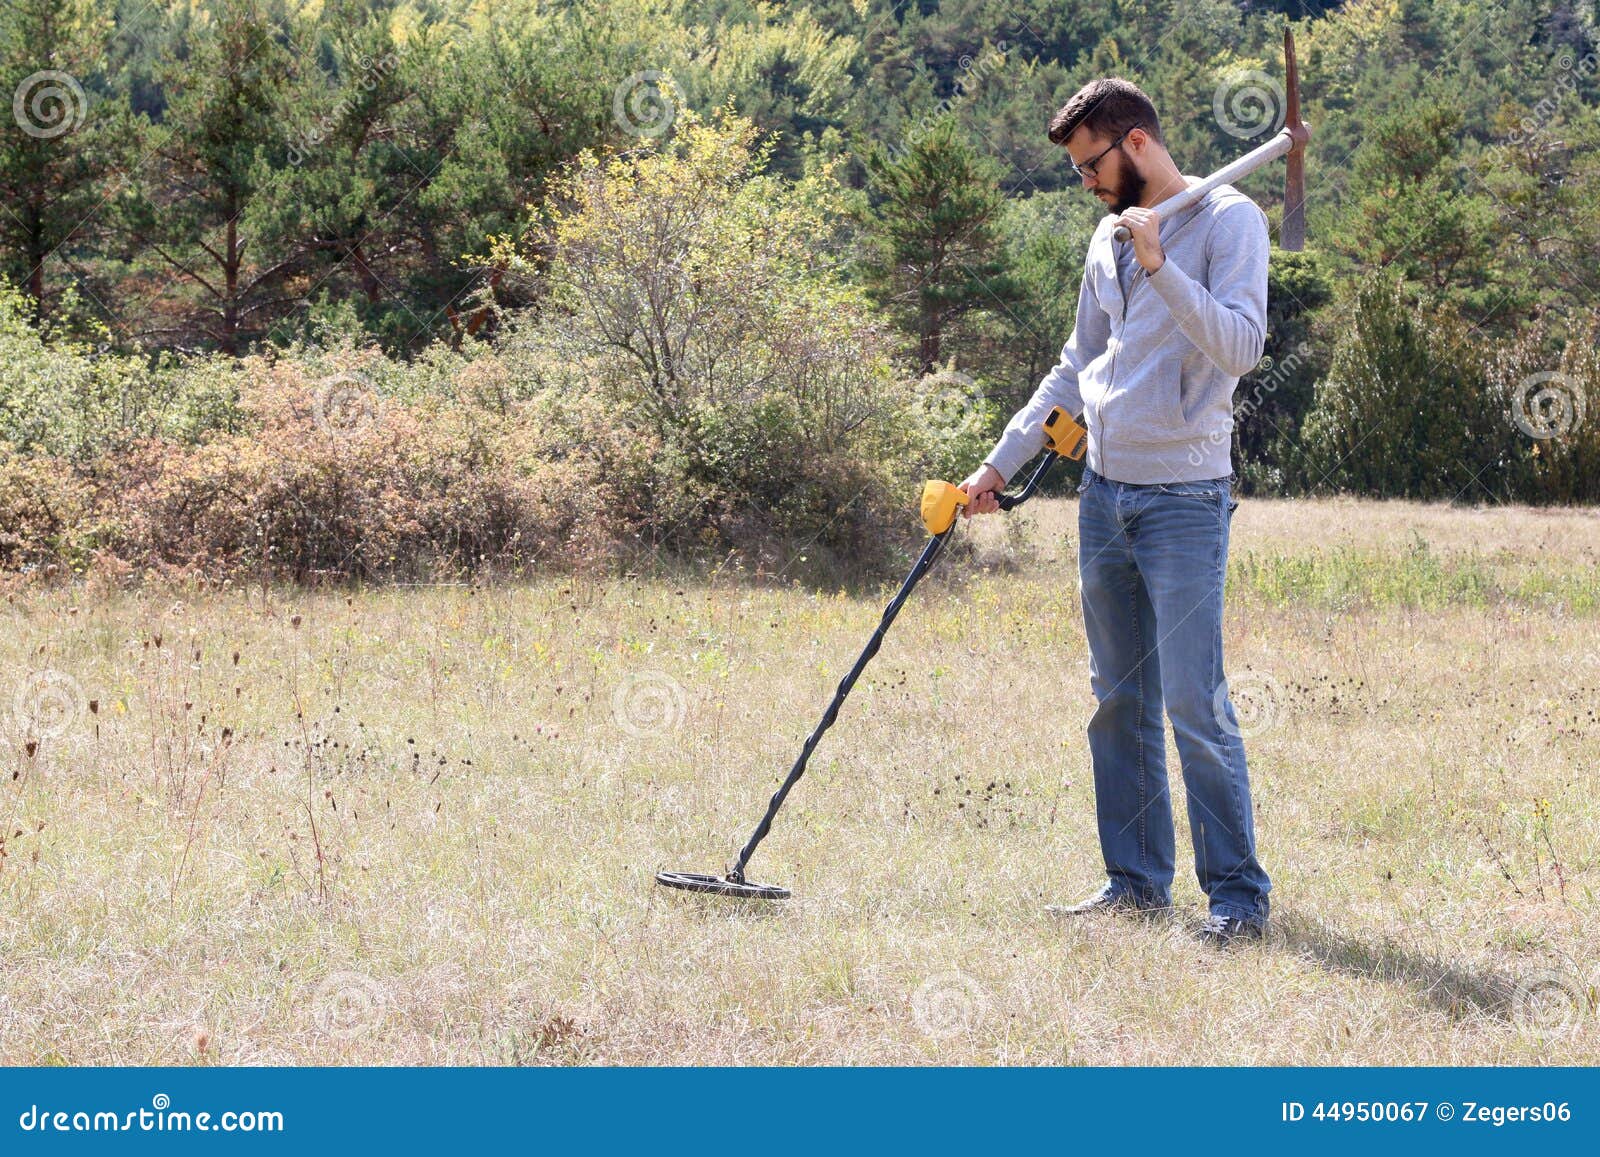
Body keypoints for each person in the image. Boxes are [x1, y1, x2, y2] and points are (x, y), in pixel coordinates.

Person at [960, 78, 1272, 947]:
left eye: (1090, 165)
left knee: (1194, 703)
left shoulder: (1231, 222)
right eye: (1076, 170)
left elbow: (1241, 347)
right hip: (1103, 495)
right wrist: (998, 463)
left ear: (1136, 143)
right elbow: (1076, 365)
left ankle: (1237, 898)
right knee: (1118, 699)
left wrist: (1163, 267)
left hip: (1185, 499)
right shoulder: (1106, 237)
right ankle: (1135, 883)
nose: (1086, 184)